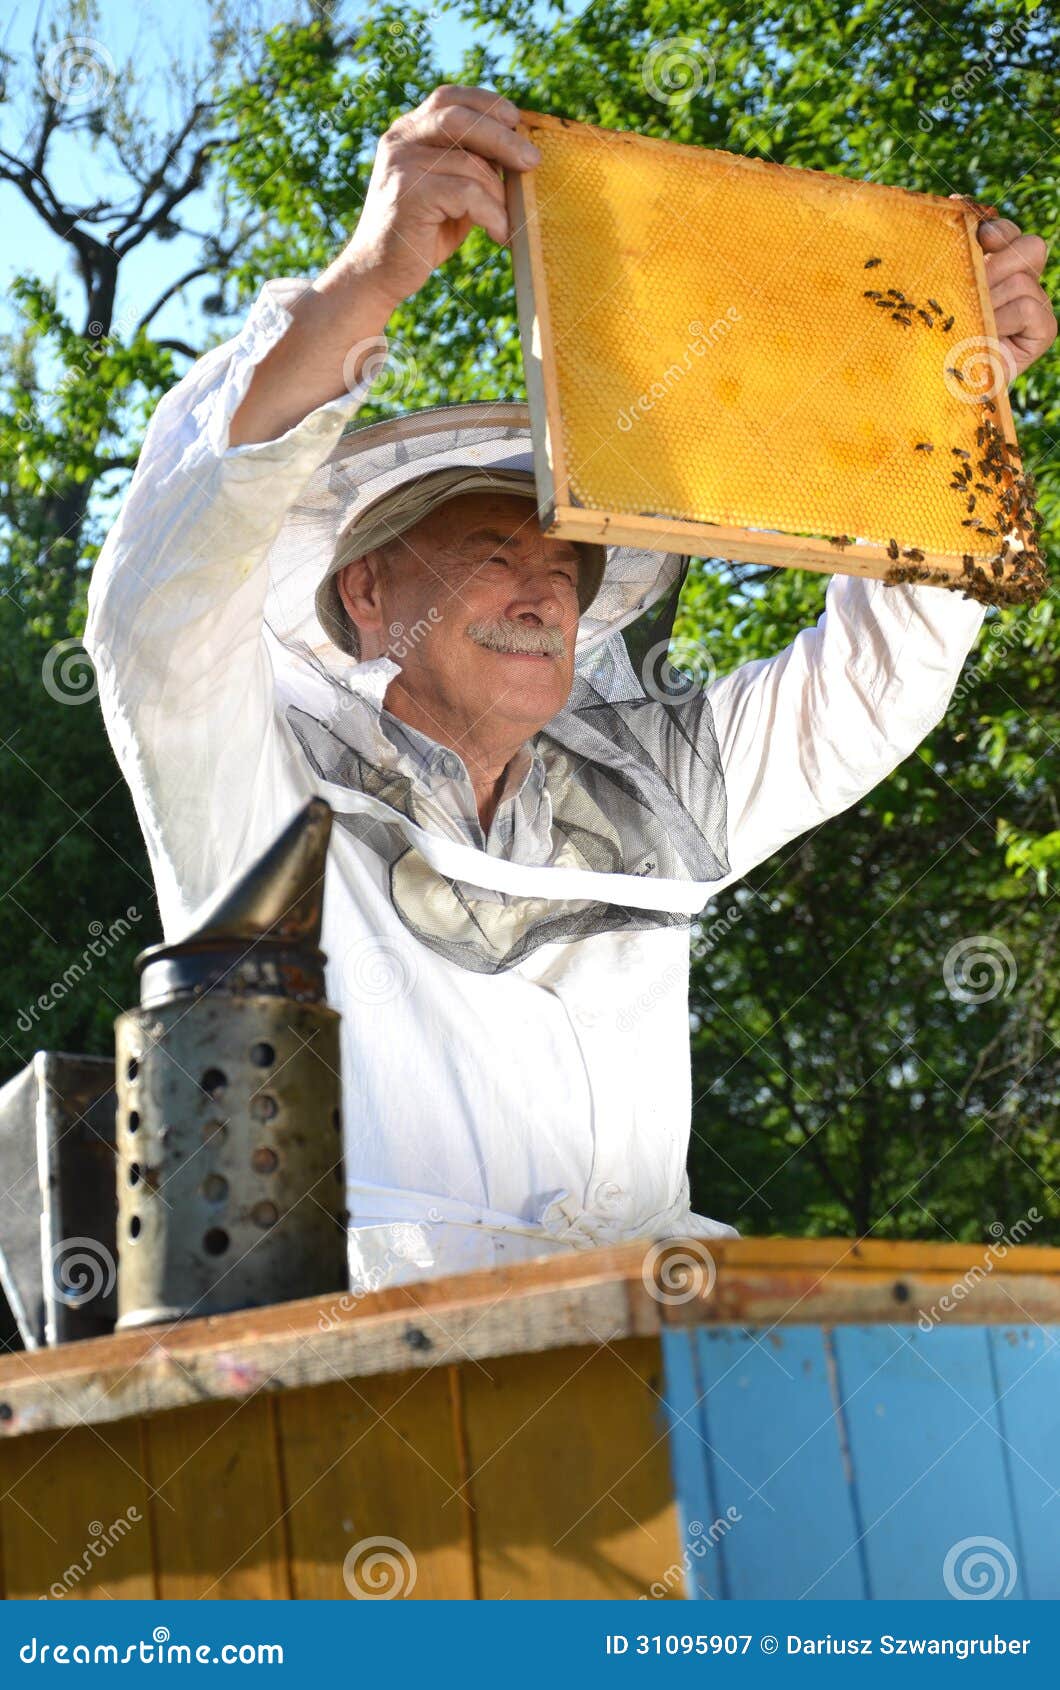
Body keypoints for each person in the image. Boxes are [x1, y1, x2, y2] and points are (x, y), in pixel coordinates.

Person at [83, 85, 1057, 1291]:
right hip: (362, 1399)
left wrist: (949, 409)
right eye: (492, 555)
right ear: (373, 595)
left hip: (647, 1384)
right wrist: (364, 285)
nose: (543, 595)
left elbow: (874, 680)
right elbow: (157, 611)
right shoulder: (257, 785)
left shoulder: (657, 783)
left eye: (564, 566)